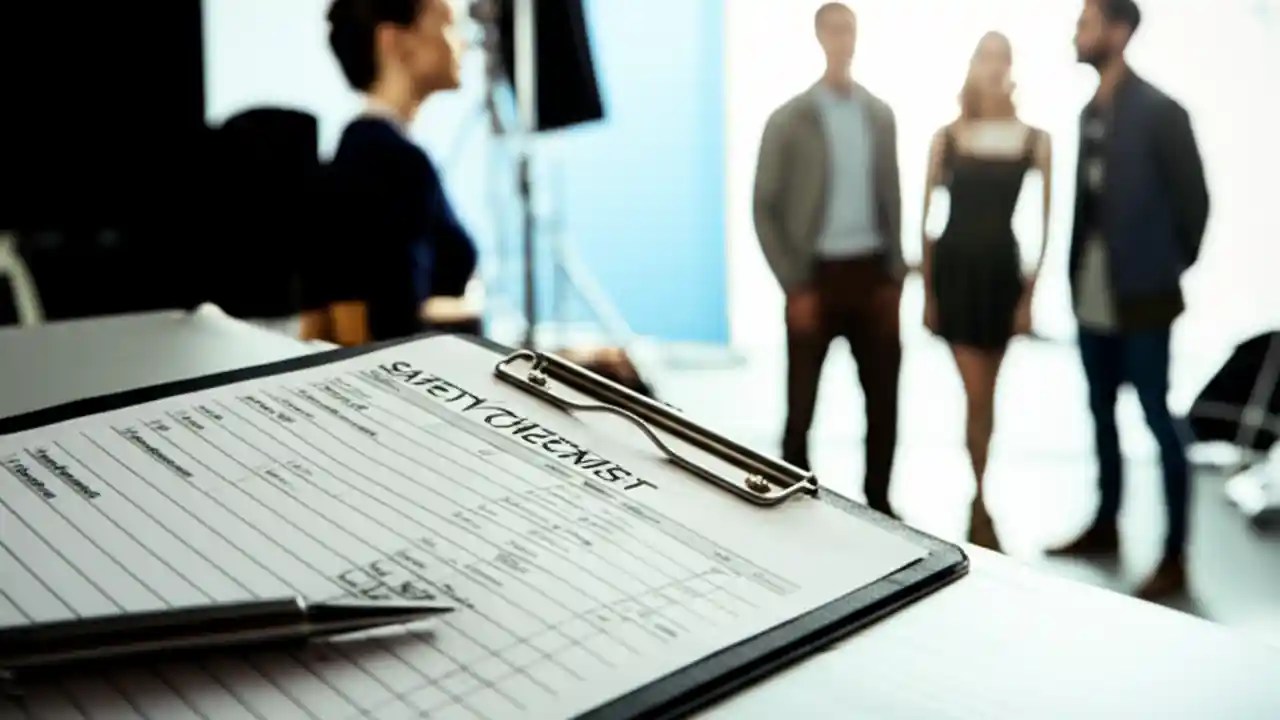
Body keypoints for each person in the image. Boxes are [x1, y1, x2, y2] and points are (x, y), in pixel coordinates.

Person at [1049, 0, 1209, 600]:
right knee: (1100, 412)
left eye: (1086, 23)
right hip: (1092, 296)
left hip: (1145, 297)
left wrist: (1162, 270)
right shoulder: (1090, 112)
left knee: (1157, 417)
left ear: (1118, 32)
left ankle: (1175, 556)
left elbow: (1195, 206)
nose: (1077, 33)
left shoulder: (1162, 112)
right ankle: (1105, 525)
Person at [753, 3, 904, 516]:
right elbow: (764, 206)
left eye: (850, 30)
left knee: (883, 400)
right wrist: (794, 283)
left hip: (871, 274)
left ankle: (880, 504)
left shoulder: (878, 115)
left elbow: (892, 197)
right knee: (800, 404)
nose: (844, 39)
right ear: (820, 36)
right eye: (835, 29)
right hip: (814, 278)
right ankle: (792, 505)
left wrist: (895, 276)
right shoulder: (790, 119)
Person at [921, 32, 1052, 551]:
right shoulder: (948, 137)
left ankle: (980, 499)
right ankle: (978, 502)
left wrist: (1030, 295)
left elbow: (1045, 225)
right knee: (974, 394)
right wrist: (928, 293)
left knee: (986, 397)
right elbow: (926, 220)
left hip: (1000, 274)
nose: (993, 67)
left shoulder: (1034, 139)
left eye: (1003, 58)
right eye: (986, 57)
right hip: (957, 273)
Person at [302, 0, 478, 345]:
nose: (463, 42)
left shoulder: (363, 150)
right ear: (394, 41)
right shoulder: (393, 162)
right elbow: (389, 323)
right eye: (447, 24)